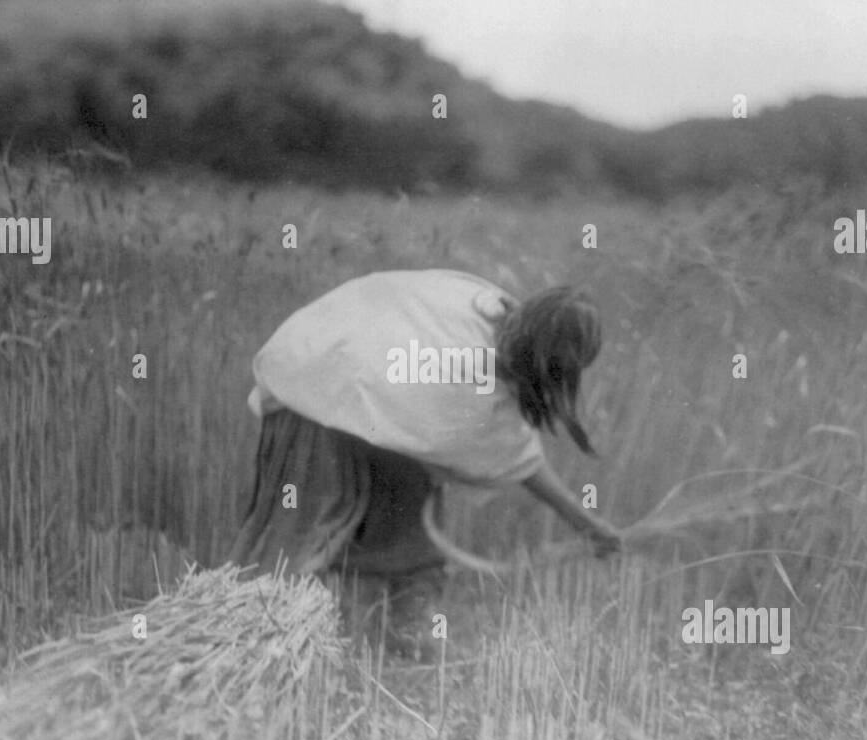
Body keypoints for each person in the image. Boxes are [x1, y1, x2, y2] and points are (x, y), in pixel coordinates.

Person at [227, 268, 622, 658]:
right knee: (302, 538)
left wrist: (587, 525)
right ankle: (263, 639)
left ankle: (401, 629)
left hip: (342, 360)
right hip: (316, 383)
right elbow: (516, 460)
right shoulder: (461, 375)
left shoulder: (490, 316)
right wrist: (585, 524)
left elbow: (513, 450)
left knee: (407, 498)